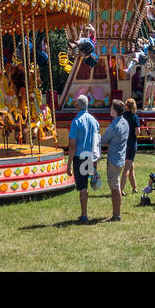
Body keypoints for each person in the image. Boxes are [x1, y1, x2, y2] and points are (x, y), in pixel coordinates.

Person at [66, 95, 99, 223]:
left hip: (80, 158)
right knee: (85, 185)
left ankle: (84, 214)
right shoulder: (94, 121)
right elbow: (97, 143)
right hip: (90, 156)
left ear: (78, 105)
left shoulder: (76, 122)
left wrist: (68, 164)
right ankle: (84, 212)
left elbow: (72, 146)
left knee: (82, 187)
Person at [99, 100, 129, 221]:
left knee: (115, 188)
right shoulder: (125, 123)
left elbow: (103, 140)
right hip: (121, 158)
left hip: (113, 159)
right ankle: (116, 214)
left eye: (111, 108)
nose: (109, 110)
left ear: (114, 111)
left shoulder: (113, 126)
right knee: (116, 187)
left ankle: (116, 215)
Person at [121, 98, 140, 194]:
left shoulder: (122, 116)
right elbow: (138, 131)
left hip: (123, 143)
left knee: (131, 167)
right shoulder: (135, 117)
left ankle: (134, 188)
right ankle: (120, 189)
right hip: (132, 144)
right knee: (127, 168)